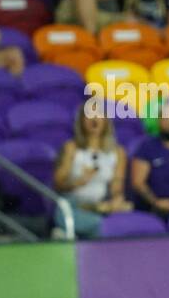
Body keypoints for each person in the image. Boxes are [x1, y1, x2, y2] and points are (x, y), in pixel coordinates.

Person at [53, 99, 132, 239]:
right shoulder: (71, 148)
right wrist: (78, 182)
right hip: (72, 207)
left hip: (100, 207)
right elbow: (58, 184)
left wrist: (116, 199)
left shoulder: (118, 152)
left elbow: (117, 186)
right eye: (89, 115)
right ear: (81, 121)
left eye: (98, 114)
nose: (94, 118)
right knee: (99, 225)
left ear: (106, 120)